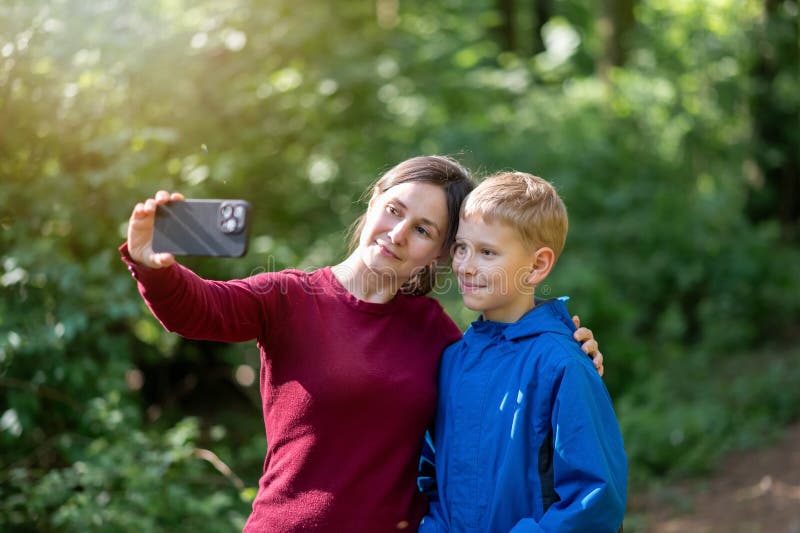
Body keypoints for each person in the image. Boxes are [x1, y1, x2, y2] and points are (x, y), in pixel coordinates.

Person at [120, 156, 603, 532]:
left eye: (422, 230)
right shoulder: (290, 297)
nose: (396, 234)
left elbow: (495, 392)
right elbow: (197, 308)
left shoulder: (436, 332)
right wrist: (153, 264)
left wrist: (567, 346)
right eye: (395, 210)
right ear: (375, 199)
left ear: (439, 252)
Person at [419, 172, 627, 533]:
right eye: (461, 247)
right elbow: (431, 476)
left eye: (487, 252)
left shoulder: (562, 363)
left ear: (537, 266)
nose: (466, 266)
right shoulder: (453, 360)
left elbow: (593, 500)